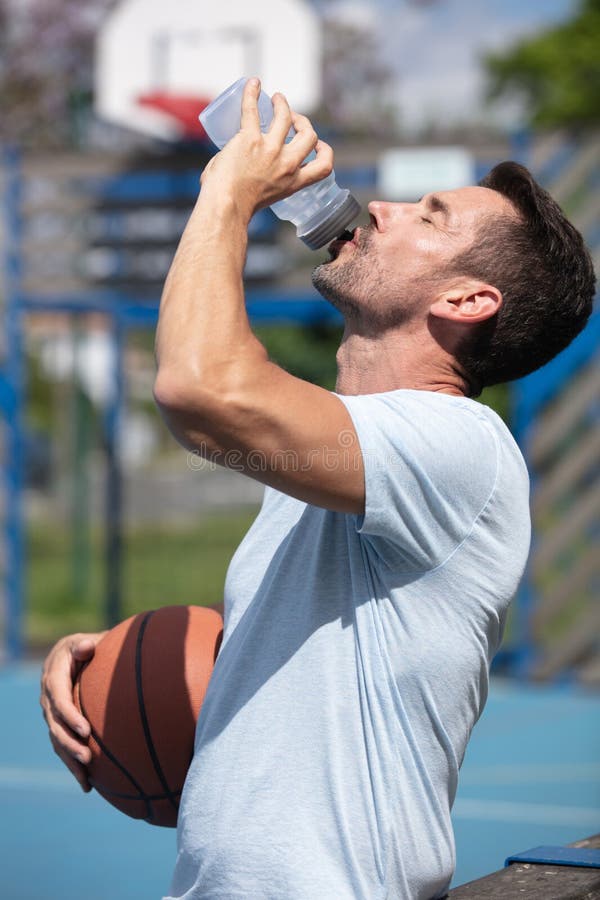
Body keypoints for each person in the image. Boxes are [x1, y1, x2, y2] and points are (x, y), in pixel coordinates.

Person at [40, 78, 595, 899]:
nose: (385, 208)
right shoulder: (337, 466)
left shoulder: (461, 446)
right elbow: (317, 669)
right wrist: (115, 665)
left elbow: (201, 390)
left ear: (467, 300)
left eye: (429, 215)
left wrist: (228, 187)